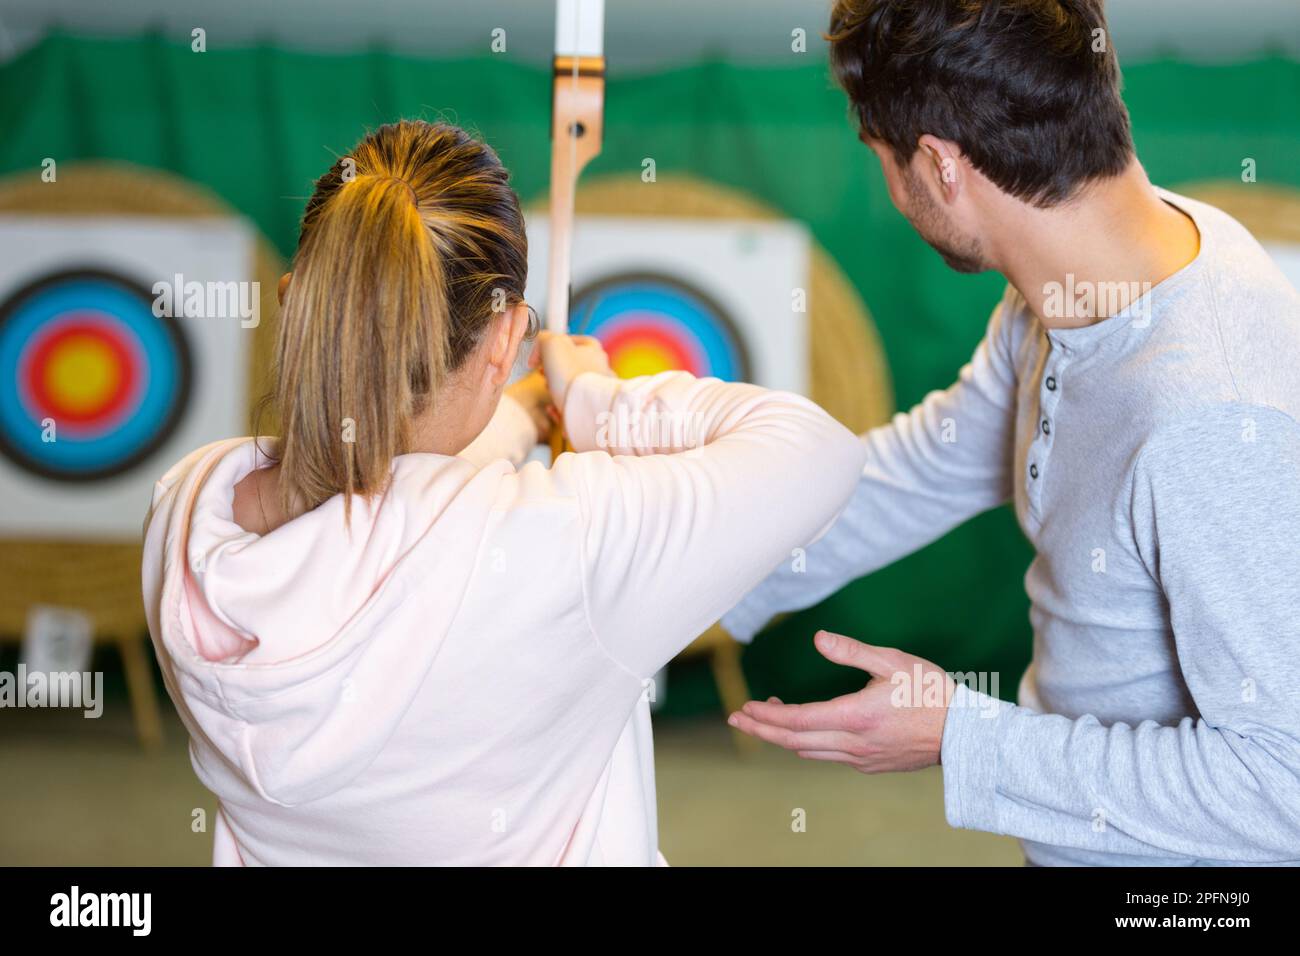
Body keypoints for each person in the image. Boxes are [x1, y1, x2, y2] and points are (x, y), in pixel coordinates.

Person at [140, 119, 865, 865]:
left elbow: (388, 496)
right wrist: (595, 399)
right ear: (502, 339)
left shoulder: (185, 510)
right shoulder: (562, 545)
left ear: (297, 302)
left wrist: (519, 411)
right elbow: (820, 454)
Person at [724, 0, 1300, 866]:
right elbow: (929, 468)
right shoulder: (1077, 277)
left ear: (941, 165)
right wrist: (677, 573)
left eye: (884, 159)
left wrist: (961, 733)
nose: (890, 187)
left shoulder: (1209, 417)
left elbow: (1280, 791)